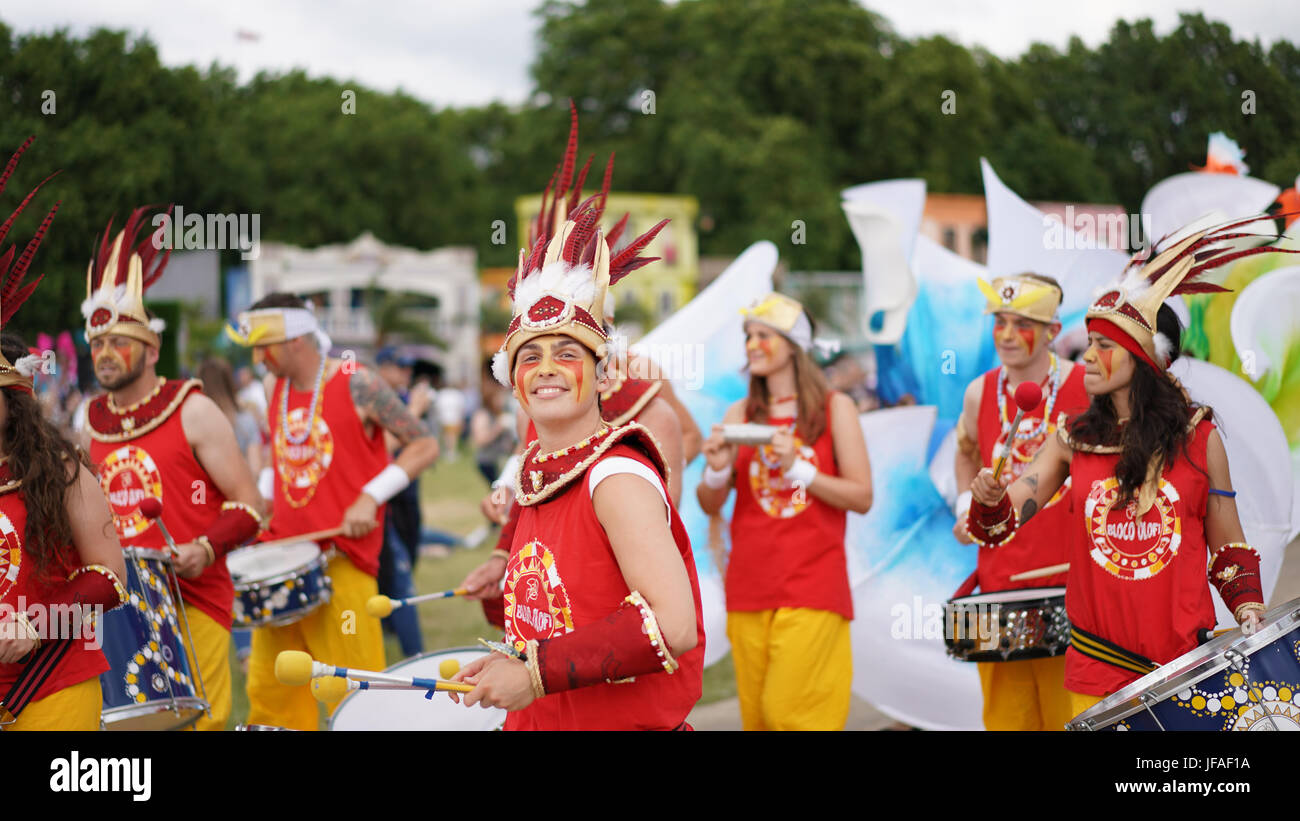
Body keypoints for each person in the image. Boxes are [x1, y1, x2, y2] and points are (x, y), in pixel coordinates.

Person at [449, 105, 703, 729]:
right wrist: (506, 636)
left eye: (569, 352)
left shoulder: (615, 475)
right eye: (530, 357)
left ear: (604, 372)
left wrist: (533, 670)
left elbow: (674, 625)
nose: (548, 367)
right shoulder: (538, 466)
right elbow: (562, 603)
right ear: (513, 383)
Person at [966, 219, 1277, 717]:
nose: (1087, 356)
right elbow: (1006, 519)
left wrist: (1249, 609)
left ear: (1141, 357)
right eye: (1089, 343)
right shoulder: (1074, 439)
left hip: (1182, 667)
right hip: (1094, 667)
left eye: (1103, 346)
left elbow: (1228, 547)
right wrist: (988, 501)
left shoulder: (1199, 438)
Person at [80, 208, 264, 731]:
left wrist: (203, 548)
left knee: (198, 724)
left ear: (153, 347)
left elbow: (251, 505)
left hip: (194, 596)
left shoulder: (192, 408)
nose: (105, 354)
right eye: (96, 344)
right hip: (120, 606)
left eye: (118, 341)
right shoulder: (86, 422)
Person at [227, 294, 439, 730]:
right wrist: (267, 493)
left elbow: (424, 444)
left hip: (341, 562)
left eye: (262, 346)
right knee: (271, 694)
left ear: (293, 340)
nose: (256, 358)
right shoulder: (274, 388)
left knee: (357, 701)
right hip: (281, 566)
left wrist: (371, 496)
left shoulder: (358, 382)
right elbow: (279, 452)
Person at [697, 292, 872, 730]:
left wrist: (800, 470)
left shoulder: (835, 409)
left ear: (794, 344)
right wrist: (717, 473)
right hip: (749, 589)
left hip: (813, 587)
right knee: (759, 721)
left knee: (791, 717)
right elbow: (709, 504)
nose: (753, 344)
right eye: (749, 336)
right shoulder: (740, 412)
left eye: (764, 335)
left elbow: (862, 495)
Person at [0, 138, 127, 731]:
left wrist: (40, 620)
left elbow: (108, 576)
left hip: (51, 685)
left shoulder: (60, 468)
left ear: (14, 401)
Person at [951, 273, 1089, 731]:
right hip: (999, 585)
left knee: (1072, 718)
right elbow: (966, 452)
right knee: (1008, 721)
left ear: (1052, 332)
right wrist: (962, 506)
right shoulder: (977, 391)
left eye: (1022, 323)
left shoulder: (1086, 388)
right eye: (1000, 322)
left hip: (1069, 586)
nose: (1007, 335)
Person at [373, 345, 436, 658]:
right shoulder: (375, 400)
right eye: (400, 367)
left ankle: (390, 626)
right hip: (382, 499)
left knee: (405, 560)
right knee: (397, 573)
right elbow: (381, 445)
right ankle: (416, 655)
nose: (405, 374)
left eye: (408, 368)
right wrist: (416, 410)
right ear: (383, 367)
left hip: (406, 493)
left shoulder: (403, 398)